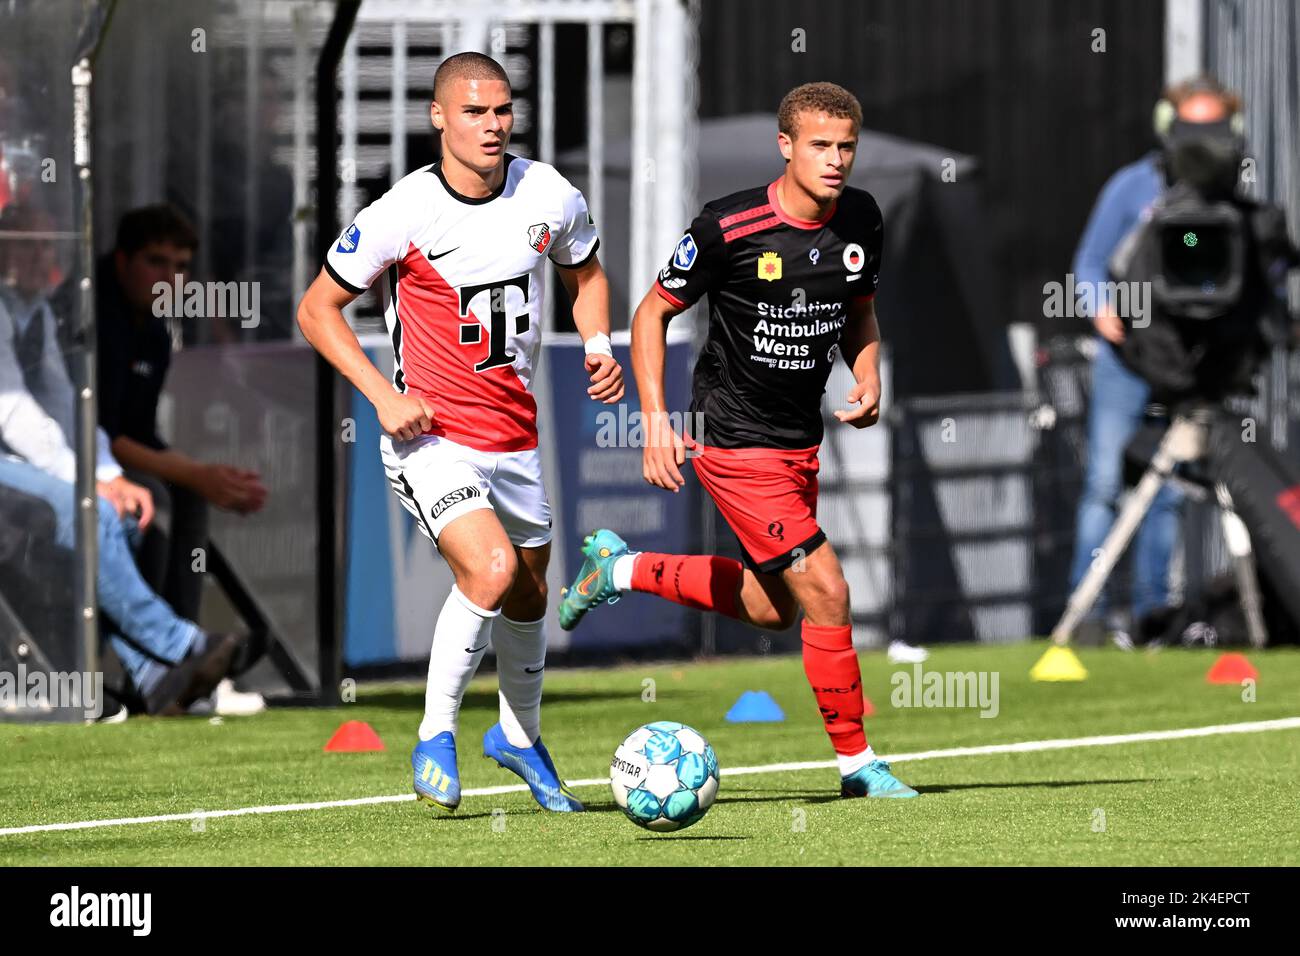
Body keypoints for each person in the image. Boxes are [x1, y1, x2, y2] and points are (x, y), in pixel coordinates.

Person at [558, 82, 917, 799]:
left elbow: (860, 312)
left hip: (797, 440)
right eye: (821, 145)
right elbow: (652, 312)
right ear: (786, 146)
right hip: (732, 437)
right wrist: (656, 421)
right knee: (828, 589)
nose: (836, 159)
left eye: (847, 146)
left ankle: (620, 572)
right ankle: (857, 765)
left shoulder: (862, 219)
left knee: (771, 606)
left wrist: (869, 374)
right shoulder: (730, 227)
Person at [297, 52, 623, 812]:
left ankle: (518, 735)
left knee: (530, 592)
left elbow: (588, 272)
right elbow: (317, 309)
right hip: (430, 437)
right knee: (489, 568)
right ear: (439, 117)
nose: (492, 124)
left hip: (515, 438)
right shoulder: (402, 211)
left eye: (502, 109)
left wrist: (599, 346)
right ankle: (435, 735)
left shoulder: (548, 192)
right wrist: (381, 394)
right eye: (474, 111)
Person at [0, 202, 250, 715]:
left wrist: (109, 476)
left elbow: (67, 403)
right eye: (26, 243)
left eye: (47, 245)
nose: (39, 256)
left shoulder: (39, 311)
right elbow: (15, 413)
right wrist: (91, 481)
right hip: (14, 460)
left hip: (26, 465)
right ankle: (180, 646)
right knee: (88, 511)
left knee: (127, 515)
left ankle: (157, 677)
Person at [1066, 76, 1242, 643]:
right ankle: (1087, 612)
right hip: (1125, 356)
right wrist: (1100, 309)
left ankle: (1151, 617)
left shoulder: (1228, 195)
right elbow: (1090, 263)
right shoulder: (1131, 185)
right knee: (1104, 484)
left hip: (1186, 362)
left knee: (1165, 491)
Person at [92, 204, 267, 626]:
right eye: (156, 261)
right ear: (122, 260)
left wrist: (199, 476)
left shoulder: (153, 328)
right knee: (158, 497)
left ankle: (182, 655)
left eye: (181, 266)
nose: (170, 277)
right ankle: (151, 655)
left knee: (185, 494)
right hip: (65, 459)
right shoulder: (95, 313)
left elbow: (138, 432)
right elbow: (104, 433)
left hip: (106, 456)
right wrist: (196, 473)